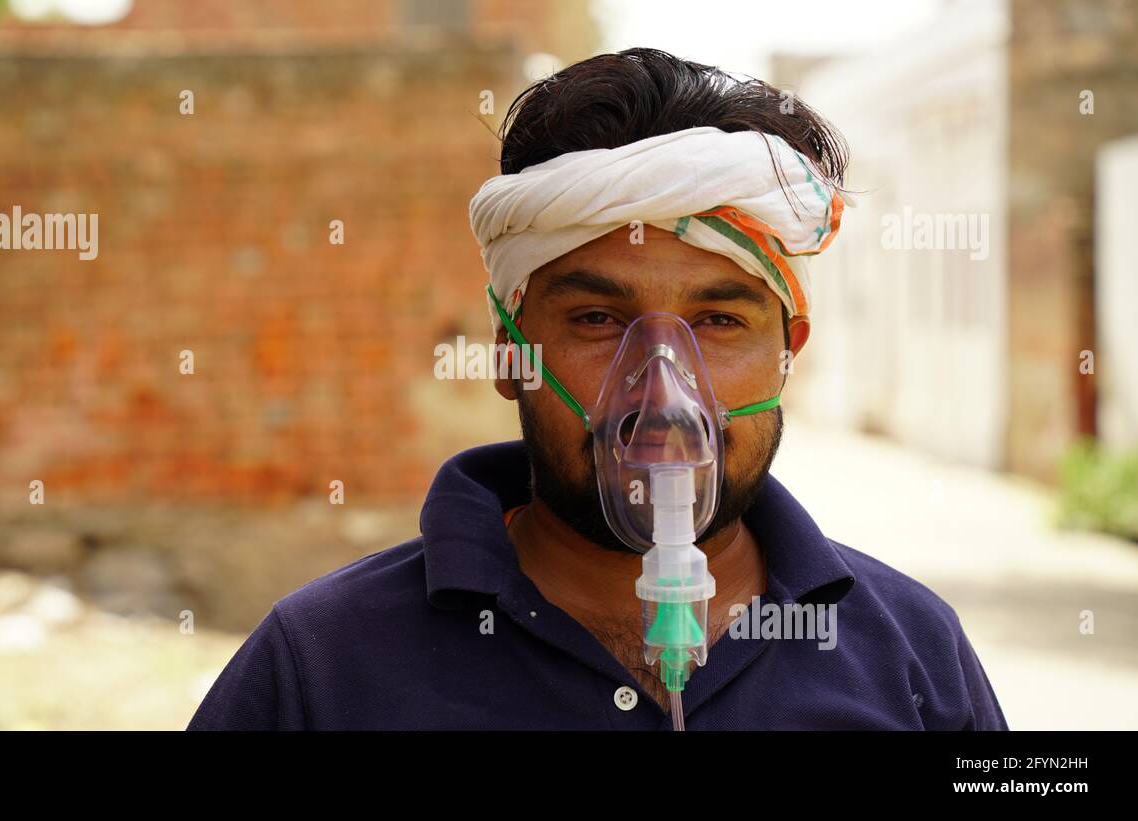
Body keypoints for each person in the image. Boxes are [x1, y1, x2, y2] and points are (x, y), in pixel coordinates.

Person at [187, 47, 1008, 731]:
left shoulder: (911, 657)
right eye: (596, 319)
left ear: (788, 352)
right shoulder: (324, 669)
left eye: (719, 323)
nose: (662, 390)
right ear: (511, 351)